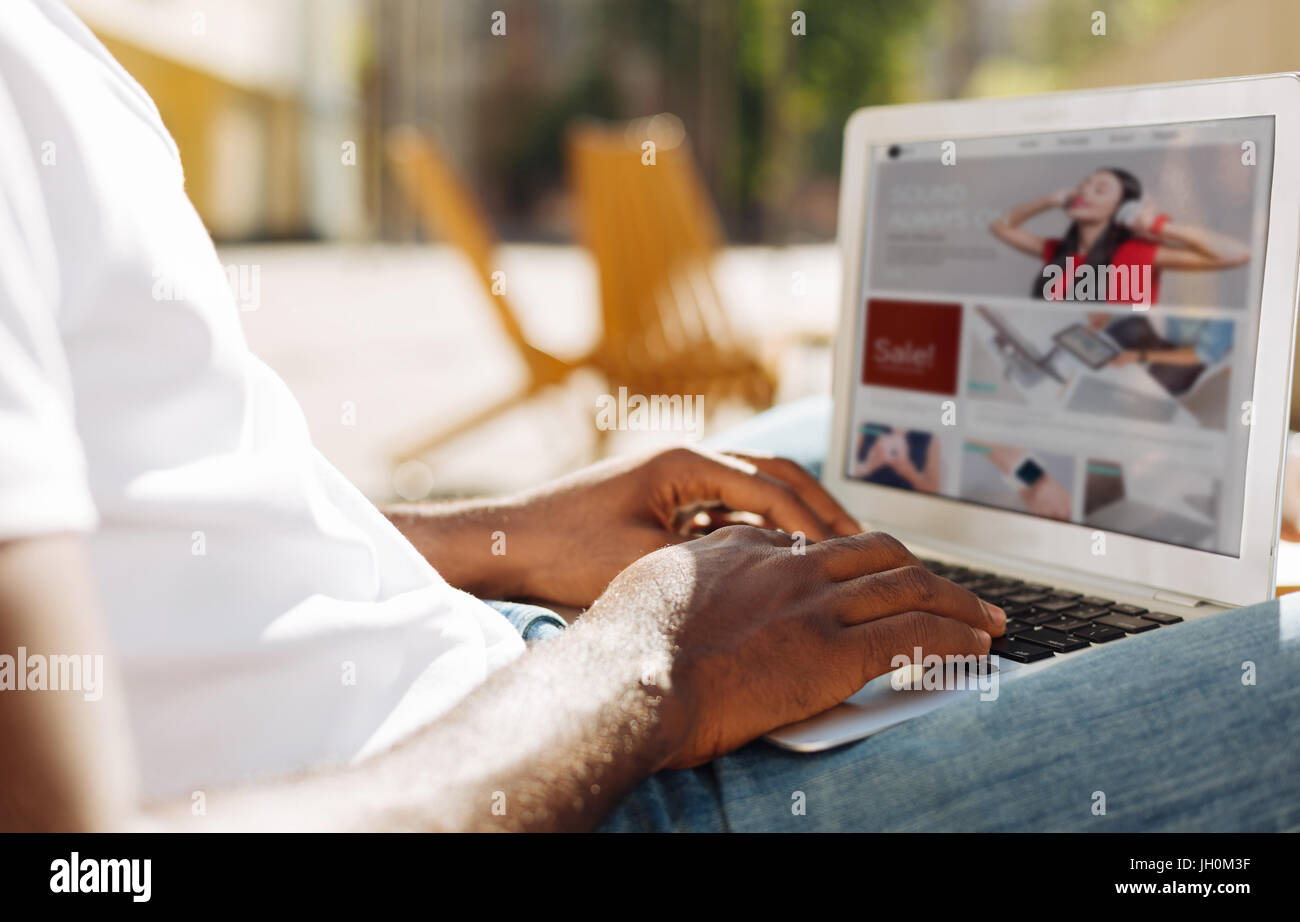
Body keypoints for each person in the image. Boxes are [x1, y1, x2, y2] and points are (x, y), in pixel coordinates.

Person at [2, 1, 1297, 834]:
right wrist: (652, 655)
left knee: (825, 446)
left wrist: (508, 537)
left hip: (511, 682)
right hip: (560, 781)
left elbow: (153, 531)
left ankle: (1211, 516)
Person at [989, 168, 1250, 304]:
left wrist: (1159, 226)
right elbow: (1000, 227)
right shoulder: (1058, 252)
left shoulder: (1137, 253)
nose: (1085, 193)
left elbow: (1237, 254)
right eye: (1083, 186)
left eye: (1100, 190)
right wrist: (1049, 200)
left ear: (1122, 208)